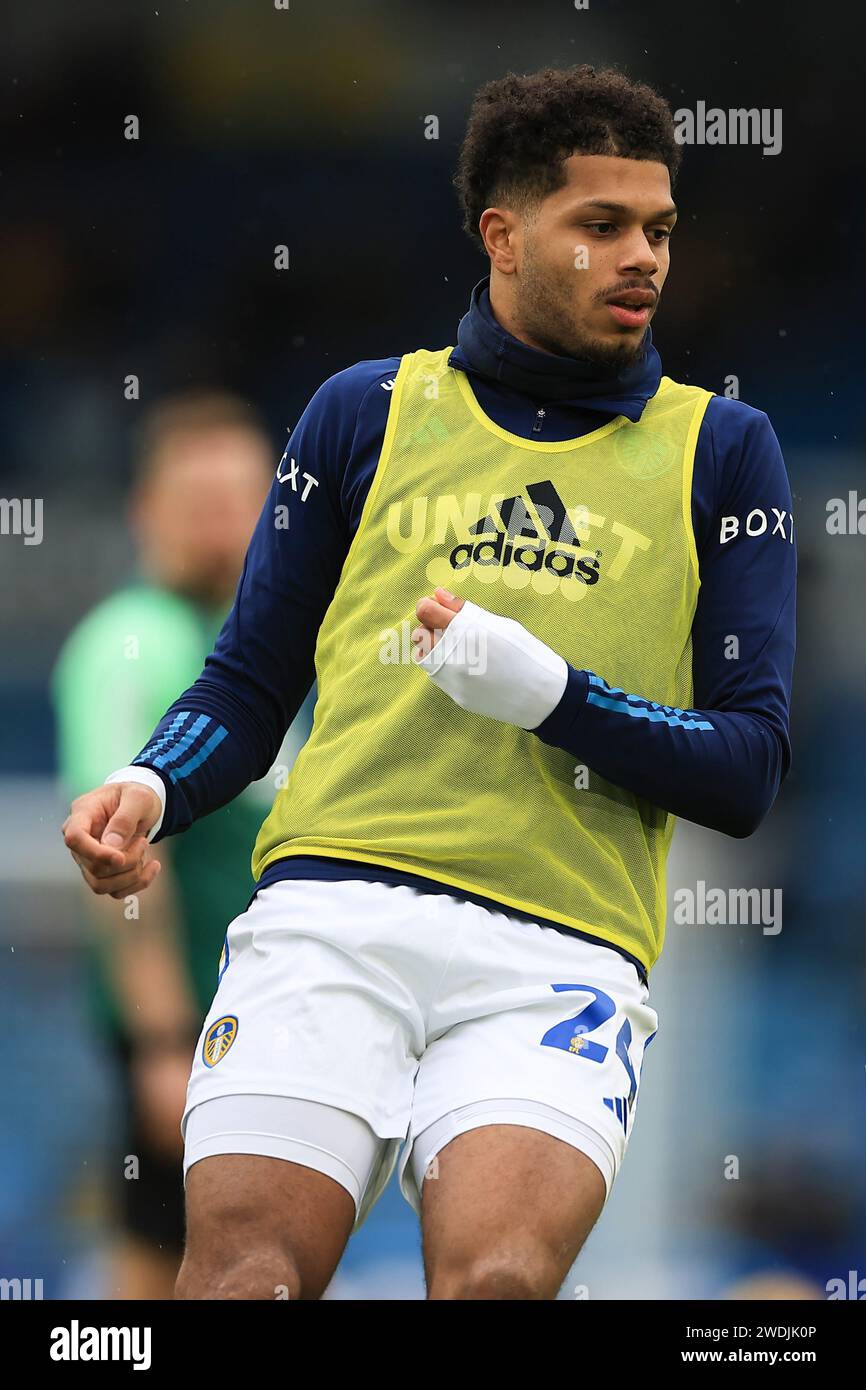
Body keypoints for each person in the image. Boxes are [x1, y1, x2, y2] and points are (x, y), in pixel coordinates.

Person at [61, 66, 796, 1301]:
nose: (642, 259)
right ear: (502, 237)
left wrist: (551, 693)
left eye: (658, 229)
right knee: (243, 1281)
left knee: (494, 1284)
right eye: (600, 226)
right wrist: (152, 780)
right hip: (326, 916)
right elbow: (244, 684)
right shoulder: (362, 414)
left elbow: (746, 769)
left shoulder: (723, 451)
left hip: (554, 949)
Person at [53, 392, 312, 1298]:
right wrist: (162, 1044)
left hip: (275, 1022)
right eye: (195, 503)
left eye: (239, 501)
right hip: (196, 1028)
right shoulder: (133, 644)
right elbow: (123, 863)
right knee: (168, 1263)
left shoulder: (272, 649)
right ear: (144, 512)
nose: (220, 526)